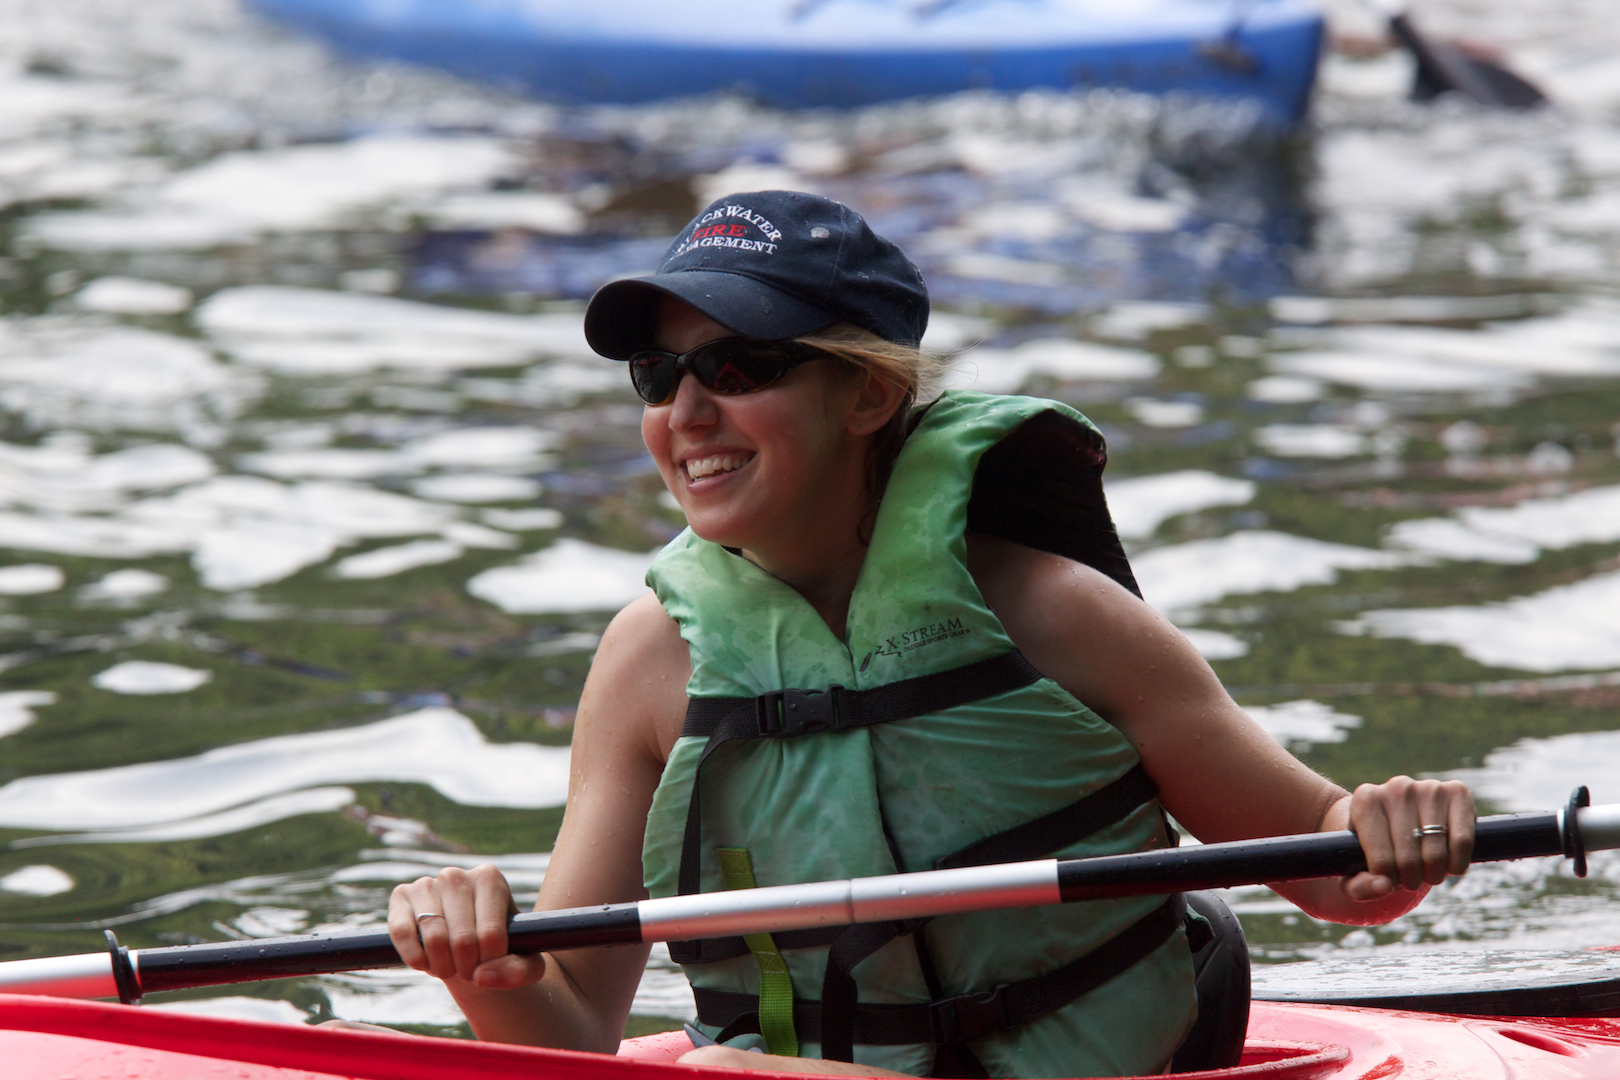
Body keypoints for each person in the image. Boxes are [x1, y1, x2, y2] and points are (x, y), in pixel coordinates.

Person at [385, 190, 1476, 1078]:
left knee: (724, 1075)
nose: (687, 413)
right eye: (658, 376)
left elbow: (1331, 869)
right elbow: (573, 1032)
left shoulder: (1055, 613)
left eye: (737, 369)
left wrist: (1392, 831)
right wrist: (481, 966)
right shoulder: (646, 665)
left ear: (866, 395)